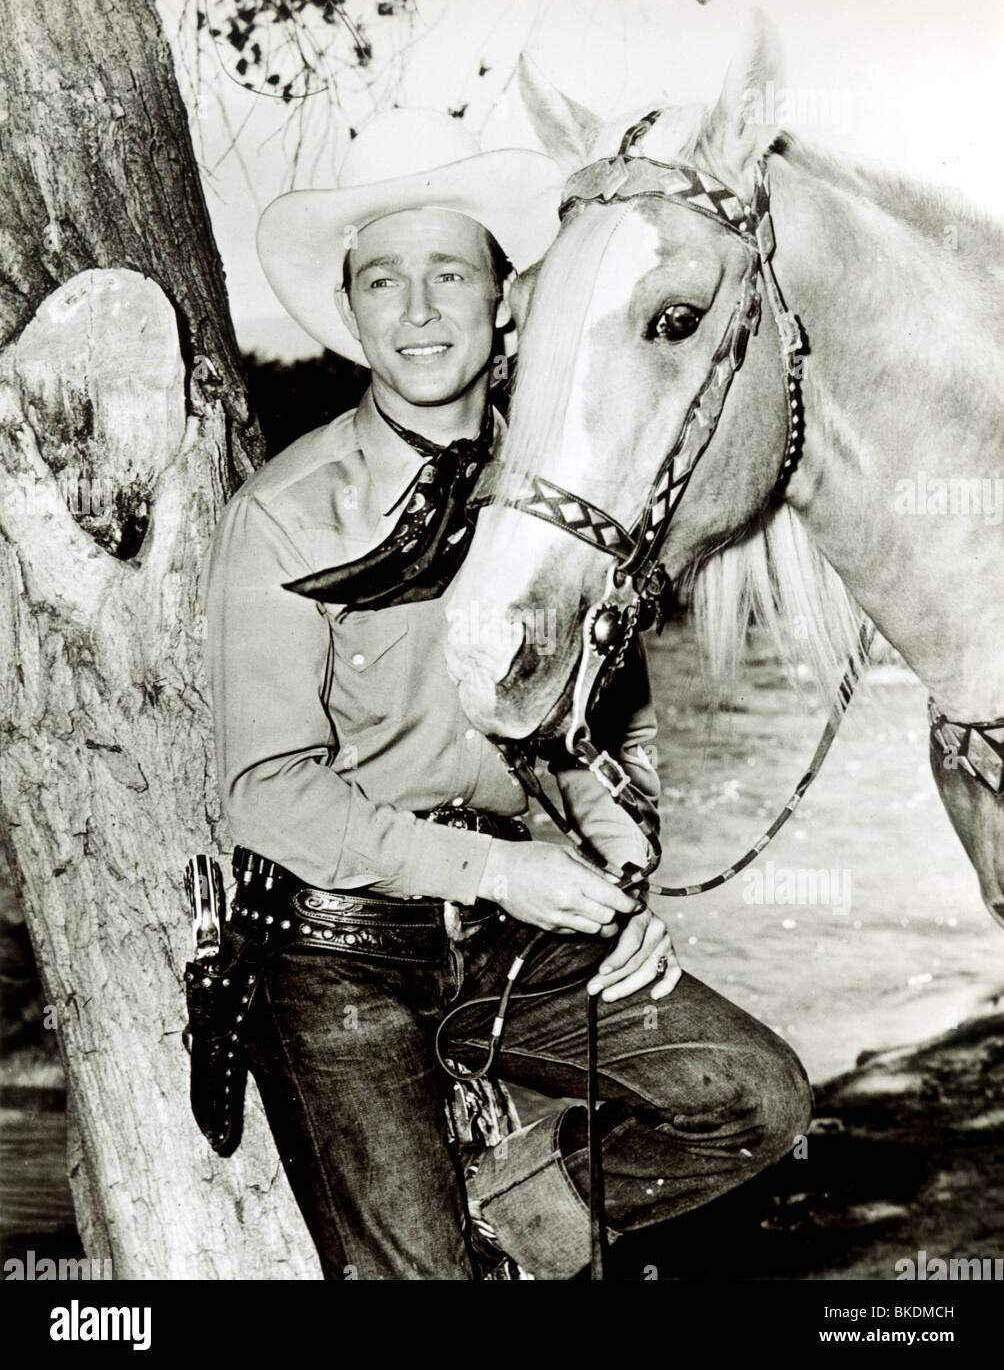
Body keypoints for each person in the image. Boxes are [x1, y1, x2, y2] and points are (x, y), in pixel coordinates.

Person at [202, 108, 811, 1281]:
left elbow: (605, 722)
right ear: (353, 313)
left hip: (517, 929)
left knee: (758, 1099)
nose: (420, 309)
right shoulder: (288, 511)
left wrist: (620, 871)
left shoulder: (571, 496)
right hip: (338, 947)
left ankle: (521, 1201)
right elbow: (265, 798)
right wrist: (504, 870)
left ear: (505, 301)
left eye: (450, 274)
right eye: (384, 280)